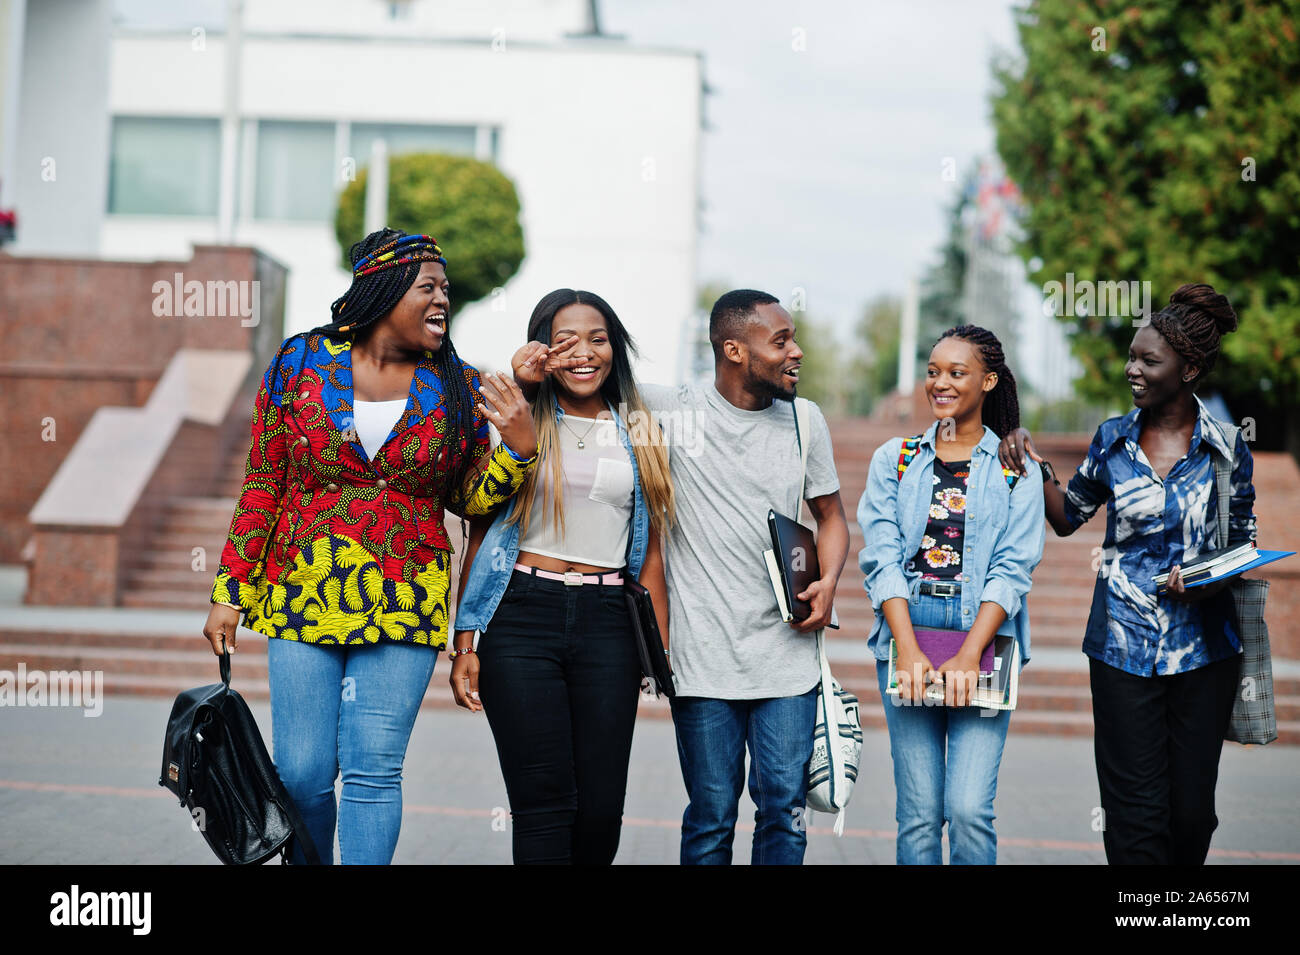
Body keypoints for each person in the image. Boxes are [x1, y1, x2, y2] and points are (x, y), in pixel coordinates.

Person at [201, 228, 538, 864]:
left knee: (373, 771)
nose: (444, 298)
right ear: (381, 291)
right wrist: (229, 592)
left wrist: (516, 450)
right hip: (300, 591)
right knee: (300, 773)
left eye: (447, 288)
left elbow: (469, 499)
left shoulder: (456, 386)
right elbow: (264, 481)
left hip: (404, 600)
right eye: (428, 287)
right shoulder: (299, 363)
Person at [998, 283, 1255, 865]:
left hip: (1204, 650)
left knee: (1191, 815)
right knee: (1134, 815)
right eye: (1131, 356)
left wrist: (1207, 575)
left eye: (1148, 360)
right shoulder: (1111, 440)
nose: (1131, 368)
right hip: (1120, 646)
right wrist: (1031, 461)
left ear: (1188, 369)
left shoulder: (1227, 448)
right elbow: (1069, 516)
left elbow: (1244, 542)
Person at [452, 289, 674, 865]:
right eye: (565, 340)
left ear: (615, 348)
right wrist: (465, 637)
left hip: (609, 624)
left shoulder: (638, 429)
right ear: (542, 350)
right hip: (521, 614)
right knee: (542, 804)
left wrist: (659, 656)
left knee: (600, 810)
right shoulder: (515, 417)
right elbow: (479, 523)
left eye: (598, 339)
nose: (584, 353)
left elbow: (649, 555)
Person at [636, 289, 848, 866]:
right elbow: (589, 377)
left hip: (788, 659)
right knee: (710, 817)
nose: (796, 352)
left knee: (783, 809)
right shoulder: (673, 409)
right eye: (781, 341)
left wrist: (828, 581)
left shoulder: (806, 420)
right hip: (702, 664)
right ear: (733, 349)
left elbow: (831, 517)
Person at [858, 325, 1044, 865]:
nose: (940, 383)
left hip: (985, 634)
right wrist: (909, 648)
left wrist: (969, 654)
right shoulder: (895, 459)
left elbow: (1013, 568)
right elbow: (881, 557)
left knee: (967, 809)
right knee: (917, 813)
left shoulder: (1016, 468)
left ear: (987, 381)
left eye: (956, 373)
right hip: (907, 629)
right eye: (934, 371)